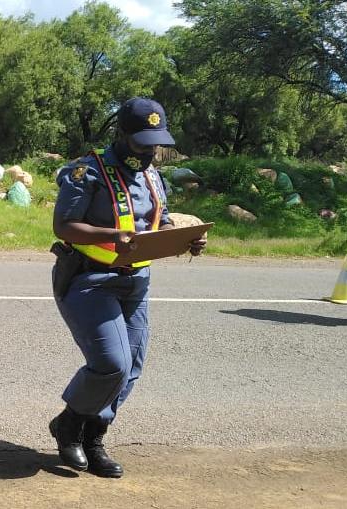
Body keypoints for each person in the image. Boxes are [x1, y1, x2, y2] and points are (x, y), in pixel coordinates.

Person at [49, 98, 207, 478]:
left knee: (131, 367)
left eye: (155, 141)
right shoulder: (86, 171)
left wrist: (183, 237)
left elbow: (161, 220)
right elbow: (64, 226)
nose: (150, 149)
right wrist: (114, 235)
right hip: (89, 280)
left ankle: (93, 438)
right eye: (142, 141)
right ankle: (68, 424)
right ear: (121, 134)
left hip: (136, 282)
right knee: (111, 363)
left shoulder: (154, 175)